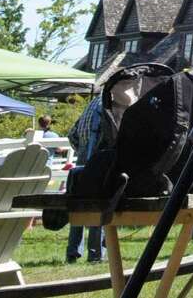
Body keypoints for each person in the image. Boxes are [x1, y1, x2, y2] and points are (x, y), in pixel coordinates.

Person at [65, 95, 105, 264]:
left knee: (79, 207)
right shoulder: (111, 102)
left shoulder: (93, 103)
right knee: (99, 206)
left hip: (82, 159)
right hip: (98, 160)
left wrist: (82, 149)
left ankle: (73, 251)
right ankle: (96, 254)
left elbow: (72, 134)